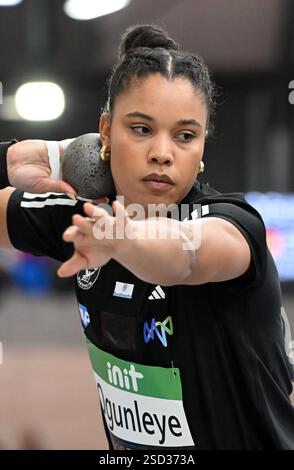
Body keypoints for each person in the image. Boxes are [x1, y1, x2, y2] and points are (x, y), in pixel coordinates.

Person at [0, 24, 293, 450]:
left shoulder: (232, 222)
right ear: (105, 132)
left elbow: (186, 257)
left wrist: (126, 240)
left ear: (202, 150)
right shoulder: (86, 220)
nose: (162, 152)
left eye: (185, 136)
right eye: (140, 129)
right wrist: (9, 156)